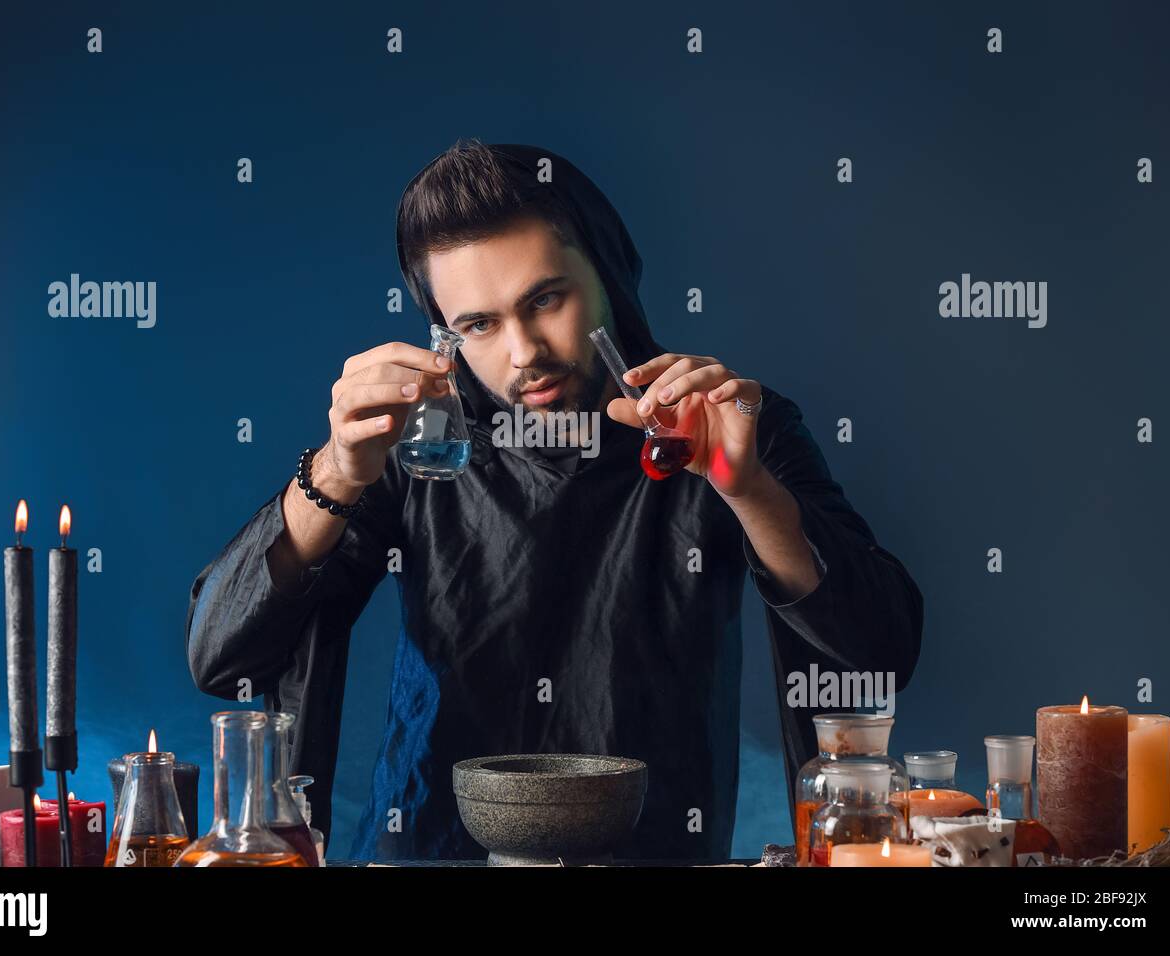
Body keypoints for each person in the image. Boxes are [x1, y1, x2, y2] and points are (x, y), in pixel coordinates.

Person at [185, 140, 924, 861]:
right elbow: (222, 658)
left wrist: (751, 491)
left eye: (544, 299)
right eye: (478, 324)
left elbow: (878, 653)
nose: (522, 351)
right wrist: (339, 472)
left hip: (651, 853)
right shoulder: (414, 449)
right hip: (435, 853)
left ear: (608, 272)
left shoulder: (725, 425)